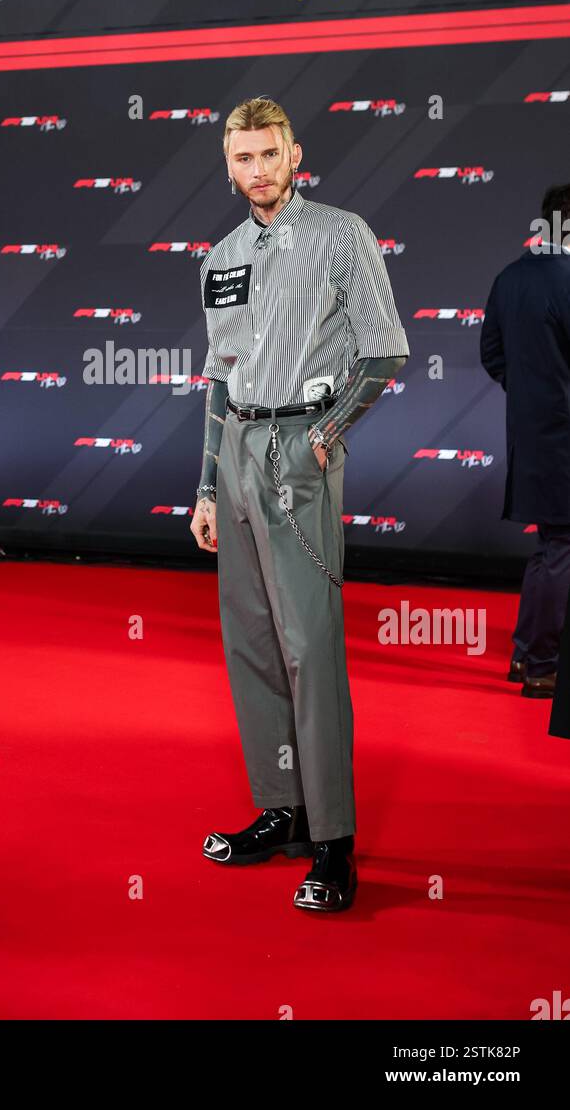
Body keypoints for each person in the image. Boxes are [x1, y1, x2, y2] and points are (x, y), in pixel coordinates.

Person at [190, 96, 409, 914]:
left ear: (294, 153)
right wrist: (207, 486)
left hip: (300, 456)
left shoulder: (341, 233)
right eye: (243, 157)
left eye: (269, 154)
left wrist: (330, 433)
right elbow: (218, 376)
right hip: (239, 455)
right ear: (229, 163)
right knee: (251, 645)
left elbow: (384, 351)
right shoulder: (219, 256)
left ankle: (334, 844)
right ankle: (282, 812)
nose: (257, 170)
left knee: (309, 648)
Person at [480, 183, 570, 706]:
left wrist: (534, 398)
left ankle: (524, 654)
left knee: (551, 547)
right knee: (561, 549)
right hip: (563, 440)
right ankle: (542, 666)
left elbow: (492, 354)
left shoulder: (510, 277)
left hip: (532, 437)